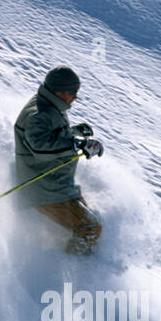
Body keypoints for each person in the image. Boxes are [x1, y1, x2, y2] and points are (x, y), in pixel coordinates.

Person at [13, 65, 105, 255]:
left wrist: (74, 134)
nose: (75, 97)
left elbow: (51, 137)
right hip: (44, 189)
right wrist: (76, 145)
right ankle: (74, 273)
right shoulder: (38, 114)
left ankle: (55, 261)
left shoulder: (51, 105)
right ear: (59, 91)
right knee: (89, 228)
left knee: (88, 225)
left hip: (57, 186)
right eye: (73, 92)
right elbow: (40, 148)